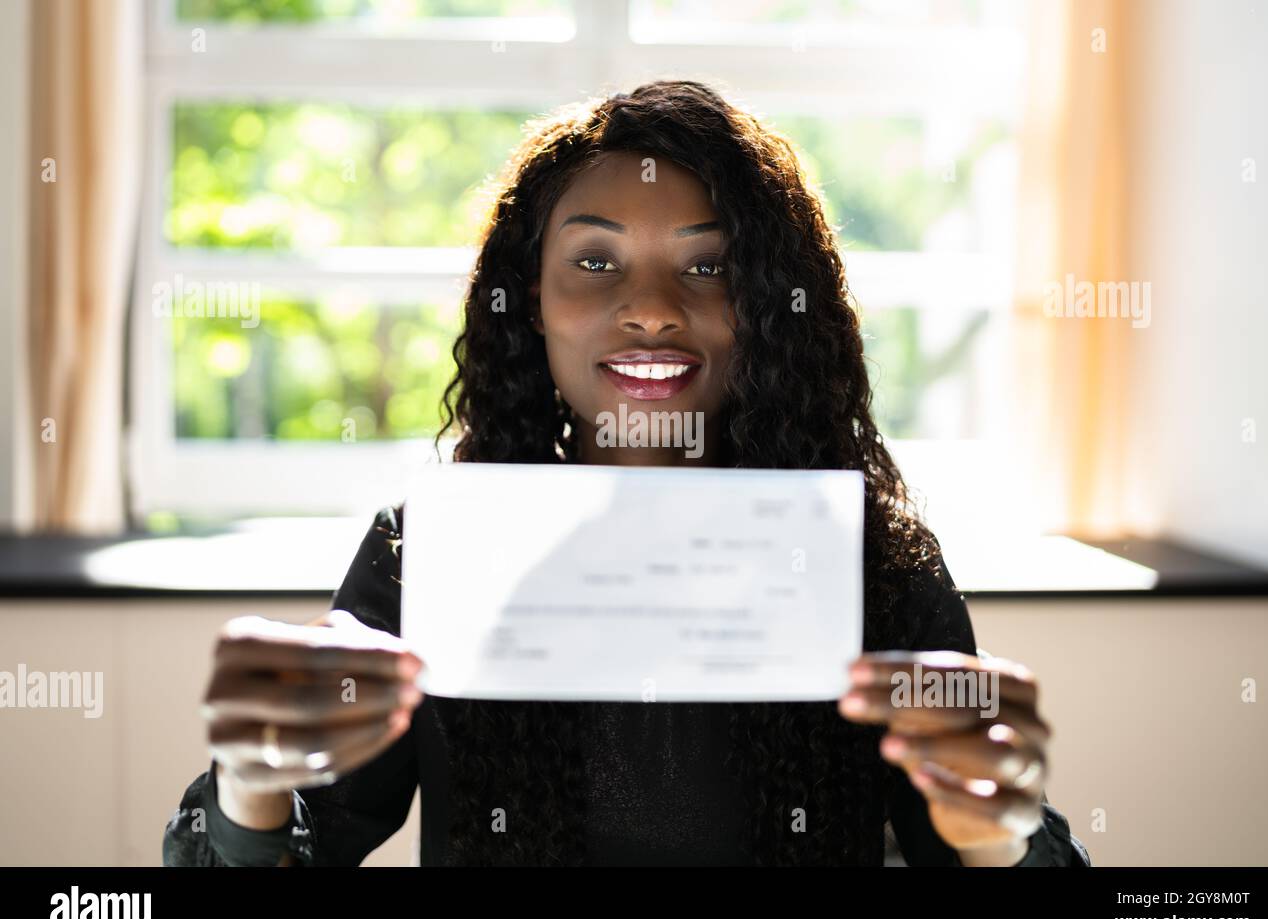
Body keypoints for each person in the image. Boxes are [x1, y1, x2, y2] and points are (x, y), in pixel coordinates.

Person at [163, 79, 1091, 867]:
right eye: (596, 259)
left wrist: (1000, 836)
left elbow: (985, 829)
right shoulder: (435, 550)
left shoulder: (872, 558)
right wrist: (250, 785)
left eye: (709, 266)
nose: (649, 309)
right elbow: (290, 845)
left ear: (766, 306)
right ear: (530, 300)